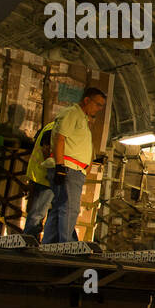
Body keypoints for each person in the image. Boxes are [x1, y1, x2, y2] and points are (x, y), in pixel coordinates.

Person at [44, 87, 107, 243]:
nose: (99, 109)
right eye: (97, 104)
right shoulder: (72, 114)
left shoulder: (82, 119)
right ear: (87, 100)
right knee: (69, 208)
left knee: (59, 208)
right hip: (68, 168)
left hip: (73, 169)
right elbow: (60, 138)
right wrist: (59, 166)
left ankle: (49, 243)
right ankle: (65, 245)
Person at [22, 120, 57, 238]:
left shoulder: (51, 126)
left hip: (43, 176)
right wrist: (52, 172)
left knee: (39, 211)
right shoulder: (54, 128)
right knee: (38, 212)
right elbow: (46, 150)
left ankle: (31, 239)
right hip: (45, 178)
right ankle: (28, 240)